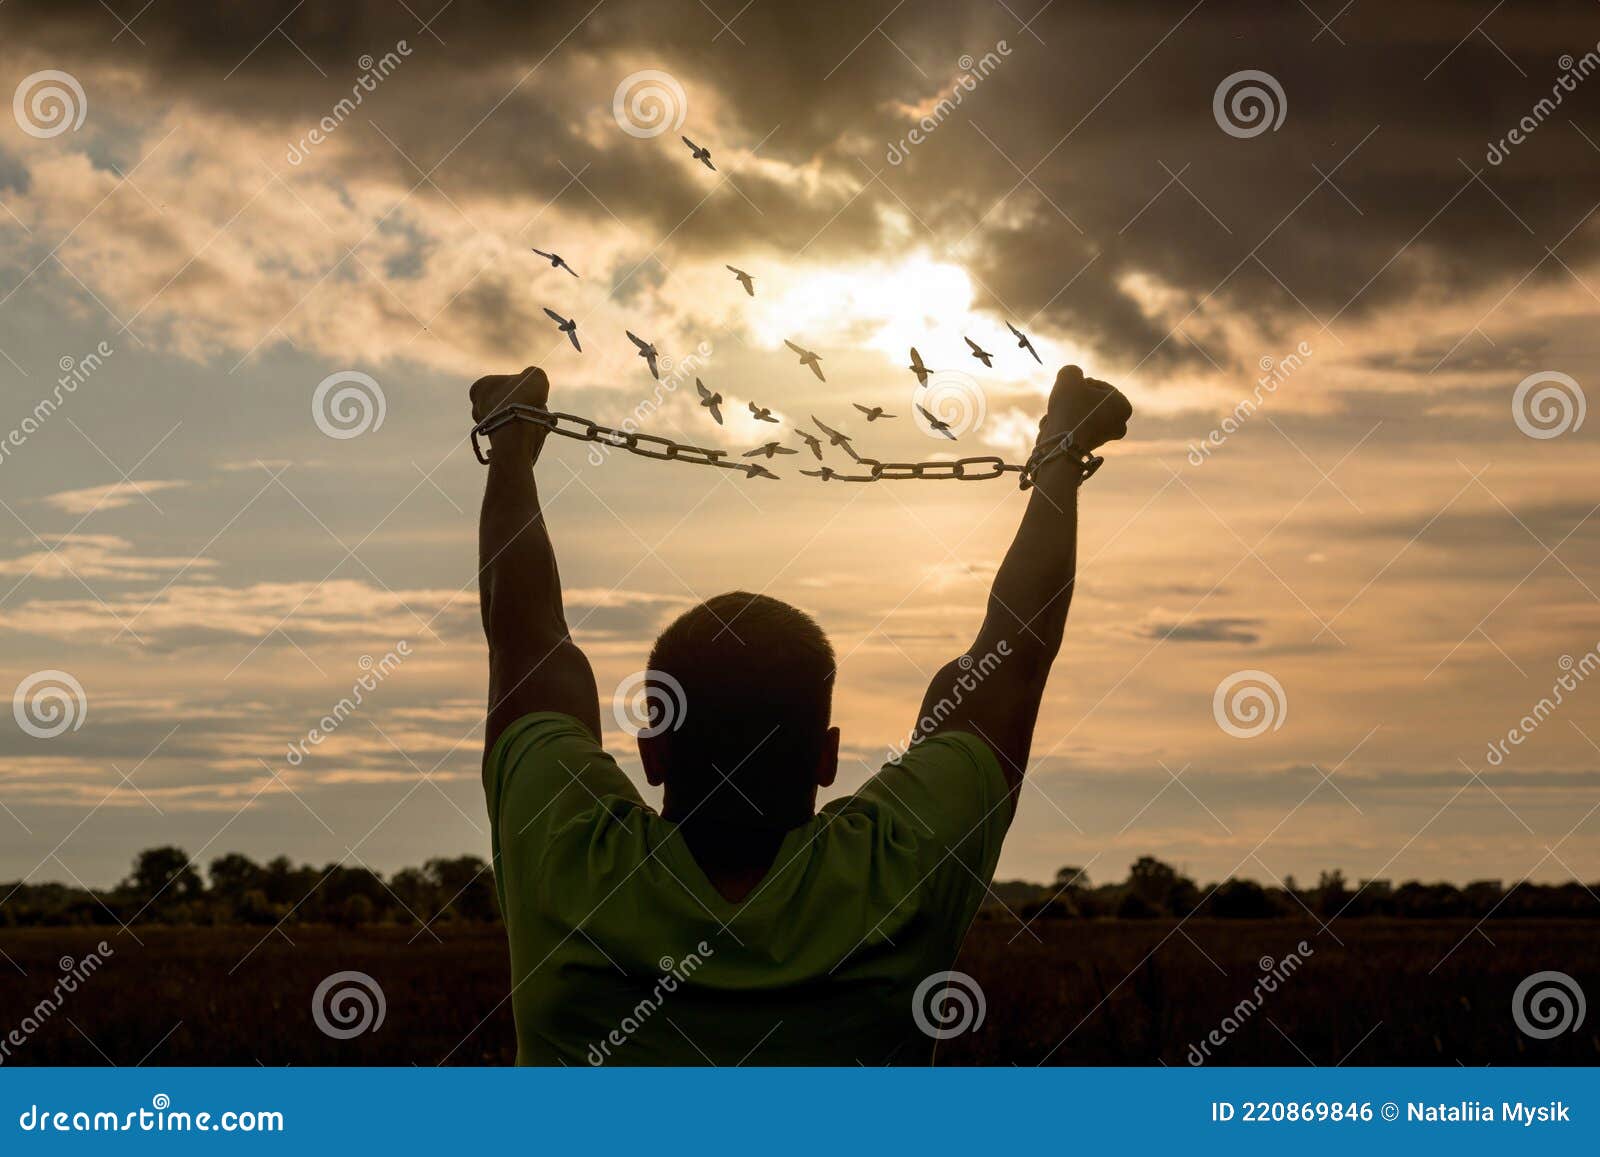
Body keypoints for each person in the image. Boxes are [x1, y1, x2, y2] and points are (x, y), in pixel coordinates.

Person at [472, 362, 1132, 1064]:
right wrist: (1060, 453)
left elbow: (528, 641)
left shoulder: (567, 853)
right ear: (827, 756)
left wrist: (512, 441)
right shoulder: (894, 868)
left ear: (652, 749)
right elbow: (1016, 650)